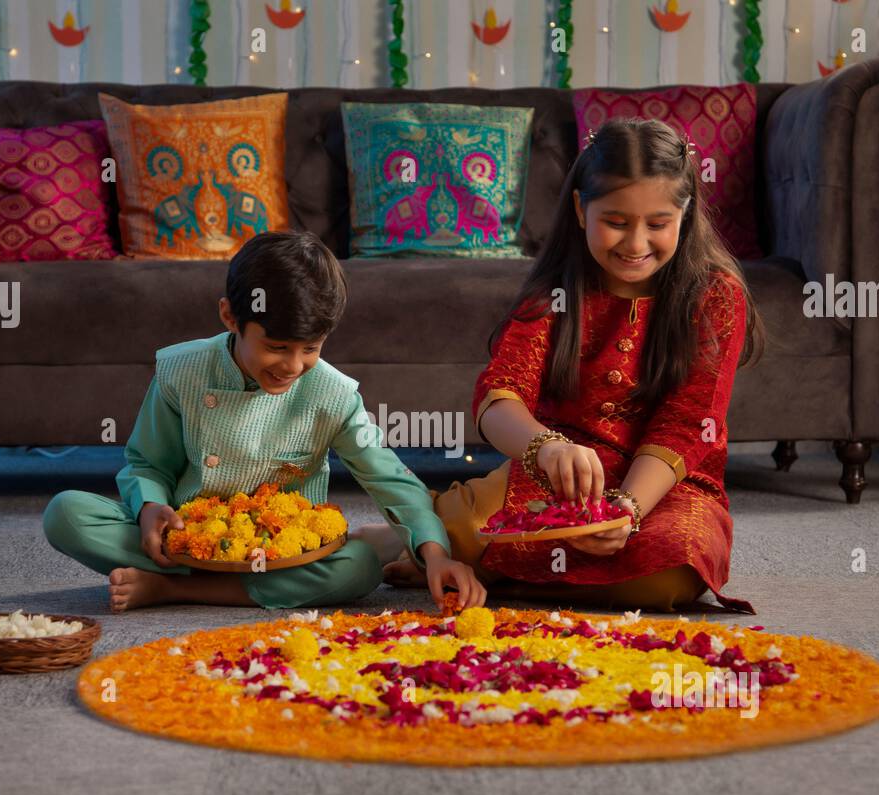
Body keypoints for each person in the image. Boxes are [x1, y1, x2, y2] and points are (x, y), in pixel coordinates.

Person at [364, 117, 764, 613]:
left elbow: (689, 422)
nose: (636, 244)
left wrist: (629, 508)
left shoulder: (715, 295)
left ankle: (493, 574)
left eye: (657, 225)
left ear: (685, 213)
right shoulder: (556, 292)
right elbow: (499, 396)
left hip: (666, 485)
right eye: (616, 222)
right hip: (558, 478)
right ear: (580, 208)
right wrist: (547, 448)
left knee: (672, 572)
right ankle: (445, 548)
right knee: (470, 527)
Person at [43, 230, 486, 613]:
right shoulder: (182, 371)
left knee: (360, 568)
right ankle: (207, 581)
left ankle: (173, 588)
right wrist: (148, 510)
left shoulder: (333, 395)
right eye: (277, 347)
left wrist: (435, 555)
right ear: (230, 317)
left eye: (310, 348)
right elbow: (148, 464)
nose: (293, 366)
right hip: (187, 539)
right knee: (66, 513)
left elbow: (393, 481)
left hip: (281, 554)